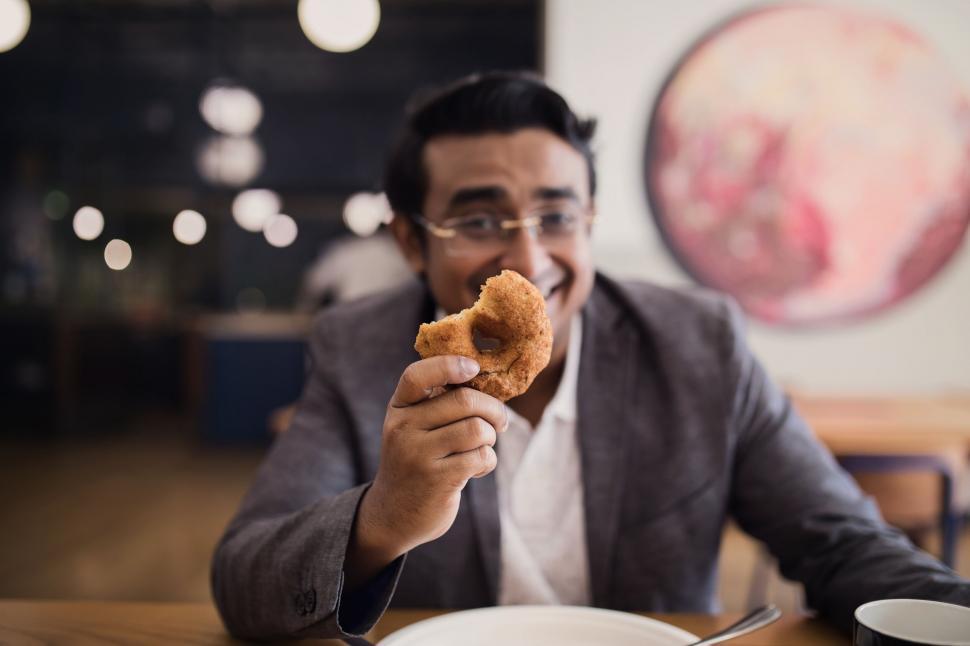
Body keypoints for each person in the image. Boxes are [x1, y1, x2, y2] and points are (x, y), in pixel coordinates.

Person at [211, 71, 970, 640]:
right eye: (478, 220)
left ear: (591, 220)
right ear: (411, 241)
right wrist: (383, 518)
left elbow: (843, 543)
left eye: (557, 215)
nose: (527, 256)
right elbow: (242, 579)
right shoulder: (358, 351)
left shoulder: (699, 345)